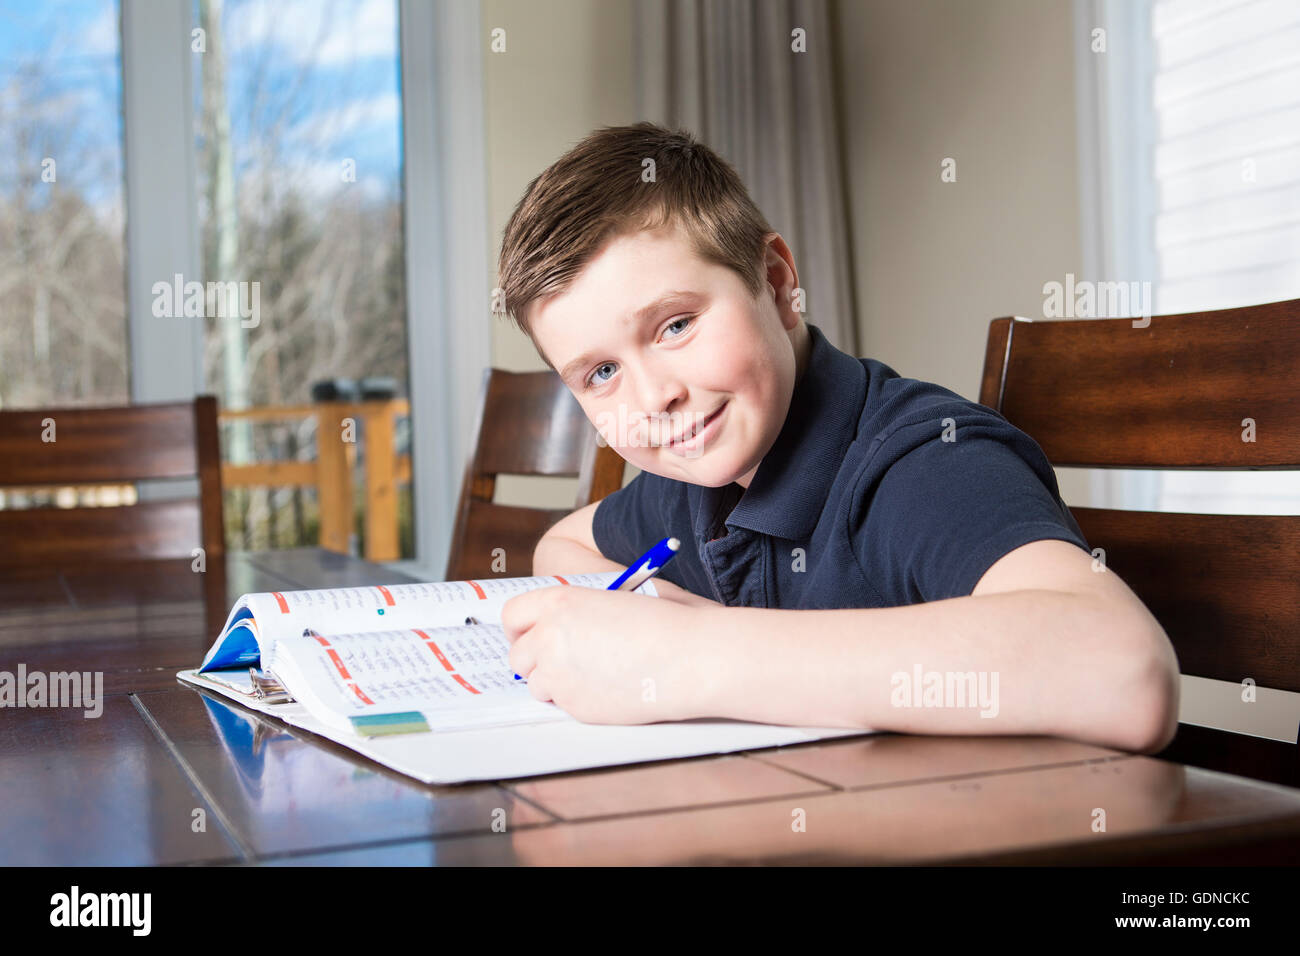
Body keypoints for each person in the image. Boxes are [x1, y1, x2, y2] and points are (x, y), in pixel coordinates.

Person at [495, 122, 1178, 753]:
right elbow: (565, 543)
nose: (653, 398)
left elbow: (1126, 672)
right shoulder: (692, 487)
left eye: (676, 325)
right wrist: (639, 623)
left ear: (777, 282)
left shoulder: (921, 467)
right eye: (602, 372)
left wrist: (688, 651)